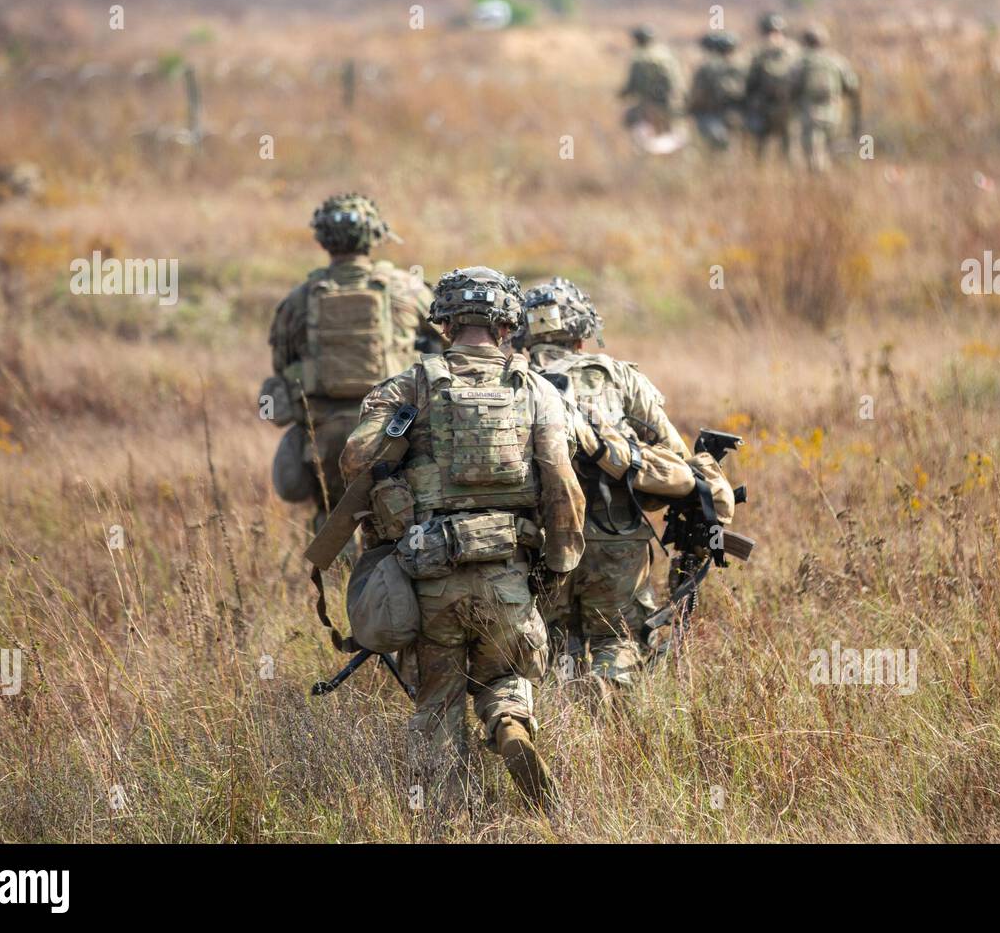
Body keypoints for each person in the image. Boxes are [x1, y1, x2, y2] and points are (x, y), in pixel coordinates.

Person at [338, 266, 585, 810]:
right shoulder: (538, 391)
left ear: (444, 323)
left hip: (431, 577)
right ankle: (510, 726)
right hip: (509, 572)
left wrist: (402, 438)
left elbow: (354, 458)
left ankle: (450, 816)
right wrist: (558, 564)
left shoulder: (410, 385)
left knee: (438, 702)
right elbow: (563, 485)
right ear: (507, 324)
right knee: (504, 672)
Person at [515, 278, 690, 700]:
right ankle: (613, 703)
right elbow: (675, 457)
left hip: (541, 541)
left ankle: (565, 729)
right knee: (620, 638)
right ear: (582, 330)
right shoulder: (617, 376)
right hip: (617, 539)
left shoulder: (513, 383)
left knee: (554, 644)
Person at [263, 194, 435, 529]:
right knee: (403, 521)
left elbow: (282, 367)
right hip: (398, 429)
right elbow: (448, 347)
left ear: (322, 237)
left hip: (325, 437)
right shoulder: (408, 289)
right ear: (374, 235)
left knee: (334, 522)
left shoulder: (299, 300)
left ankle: (336, 577)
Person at [787, 26, 860, 171]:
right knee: (830, 149)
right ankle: (832, 179)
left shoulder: (802, 62)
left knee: (814, 154)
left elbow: (791, 87)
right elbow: (852, 85)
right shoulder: (837, 61)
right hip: (834, 112)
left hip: (810, 112)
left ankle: (819, 182)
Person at [743, 12, 801, 160]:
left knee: (761, 148)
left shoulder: (758, 52)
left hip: (765, 105)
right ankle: (791, 178)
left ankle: (761, 176)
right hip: (789, 105)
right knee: (790, 147)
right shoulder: (794, 50)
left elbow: (750, 81)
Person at [618, 24, 685, 136]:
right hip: (672, 103)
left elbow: (631, 86)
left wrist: (621, 94)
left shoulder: (639, 58)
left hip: (649, 106)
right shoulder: (666, 54)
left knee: (629, 120)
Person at [687, 31, 746, 151]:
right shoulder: (741, 66)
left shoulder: (706, 67)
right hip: (734, 115)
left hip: (710, 115)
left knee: (710, 150)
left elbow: (697, 93)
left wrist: (692, 109)